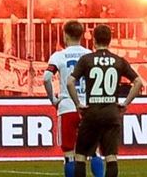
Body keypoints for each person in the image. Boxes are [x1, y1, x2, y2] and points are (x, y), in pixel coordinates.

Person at [65, 25, 139, 177]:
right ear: (110, 40)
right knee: (111, 157)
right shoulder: (118, 61)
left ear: (93, 40)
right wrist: (125, 103)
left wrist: (78, 104)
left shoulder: (86, 60)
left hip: (92, 113)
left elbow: (70, 82)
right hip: (111, 112)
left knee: (80, 156)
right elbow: (138, 82)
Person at [42, 20, 91, 177]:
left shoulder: (59, 56)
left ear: (65, 35)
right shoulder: (89, 54)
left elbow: (46, 78)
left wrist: (53, 100)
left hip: (67, 106)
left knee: (69, 154)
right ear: (82, 35)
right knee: (94, 151)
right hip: (88, 108)